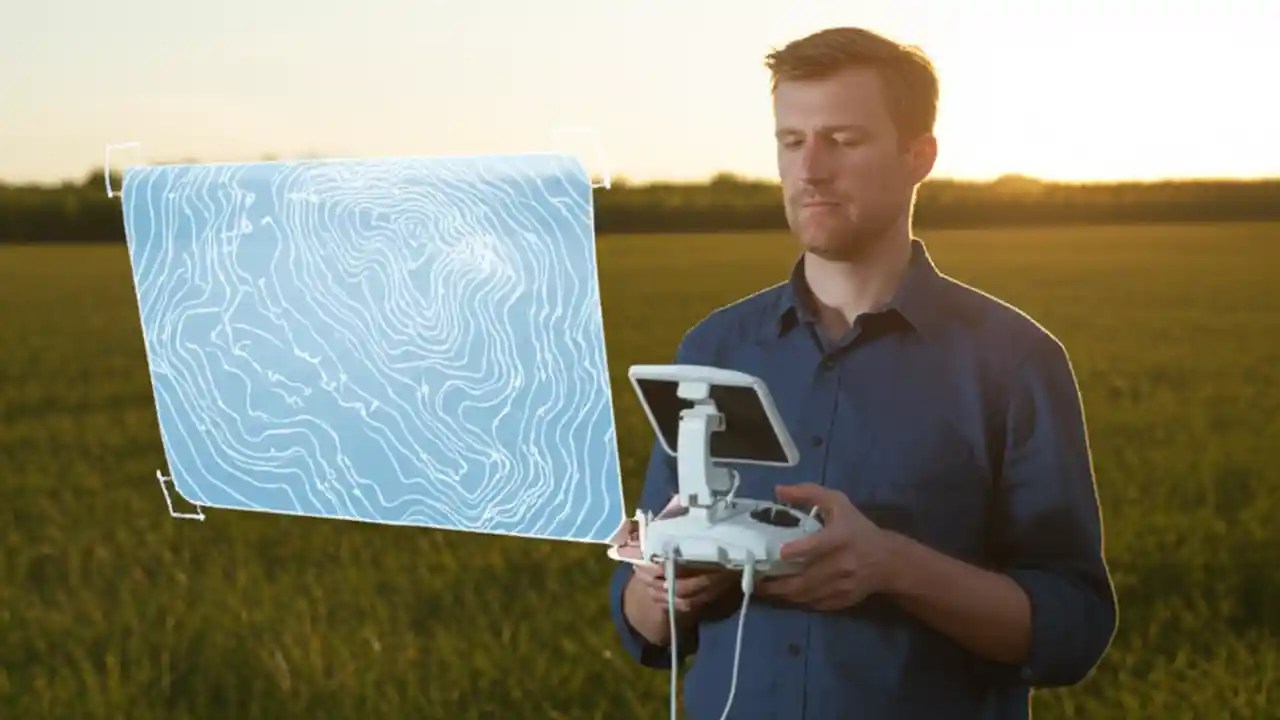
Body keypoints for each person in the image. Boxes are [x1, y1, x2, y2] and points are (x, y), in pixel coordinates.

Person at [606, 26, 1117, 720]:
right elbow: (644, 624)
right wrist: (666, 586)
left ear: (919, 156)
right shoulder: (714, 347)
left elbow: (1073, 628)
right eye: (792, 141)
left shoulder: (1015, 362)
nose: (810, 169)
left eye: (842, 140)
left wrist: (893, 566)